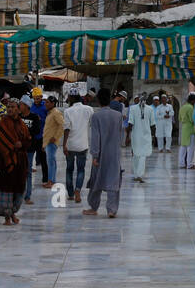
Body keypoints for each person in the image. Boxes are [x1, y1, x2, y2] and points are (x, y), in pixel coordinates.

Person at [84, 88, 125, 218]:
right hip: (114, 153)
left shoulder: (96, 116)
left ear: (98, 100)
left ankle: (93, 207)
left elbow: (95, 137)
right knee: (113, 180)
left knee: (96, 180)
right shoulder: (118, 116)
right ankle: (112, 210)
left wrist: (95, 155)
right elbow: (120, 134)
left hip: (101, 155)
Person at [0, 104, 29, 224]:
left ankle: (13, 213)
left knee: (18, 187)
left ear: (18, 109)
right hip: (5, 162)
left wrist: (21, 144)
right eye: (9, 107)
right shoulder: (1, 126)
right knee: (6, 188)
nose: (10, 109)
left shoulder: (22, 125)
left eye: (13, 107)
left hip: (21, 162)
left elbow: (28, 140)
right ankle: (7, 216)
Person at [63, 92, 92, 203]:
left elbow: (67, 128)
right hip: (82, 145)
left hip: (70, 145)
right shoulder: (89, 109)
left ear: (71, 98)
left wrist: (64, 144)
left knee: (69, 170)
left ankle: (70, 194)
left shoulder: (67, 111)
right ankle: (78, 190)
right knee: (81, 170)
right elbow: (91, 123)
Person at [42, 95, 65, 191]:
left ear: (52, 103)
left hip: (52, 142)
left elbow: (62, 125)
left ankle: (51, 181)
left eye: (47, 102)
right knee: (51, 162)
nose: (45, 104)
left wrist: (55, 137)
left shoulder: (56, 113)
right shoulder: (50, 113)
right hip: (48, 141)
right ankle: (51, 180)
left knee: (51, 162)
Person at [128, 94, 151, 183]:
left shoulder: (149, 109)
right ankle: (137, 175)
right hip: (136, 136)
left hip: (145, 137)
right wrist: (128, 136)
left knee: (142, 156)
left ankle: (139, 175)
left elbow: (152, 124)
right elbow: (130, 123)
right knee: (136, 156)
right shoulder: (133, 109)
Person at [29, 88, 49, 188]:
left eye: (38, 98)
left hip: (42, 137)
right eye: (35, 98)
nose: (36, 100)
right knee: (29, 158)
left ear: (41, 97)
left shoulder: (45, 107)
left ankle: (45, 180)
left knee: (43, 160)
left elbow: (49, 121)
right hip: (32, 137)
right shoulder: (31, 107)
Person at [179, 91, 195, 169]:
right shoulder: (190, 107)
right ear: (192, 100)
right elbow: (192, 119)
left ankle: (182, 164)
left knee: (183, 147)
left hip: (184, 128)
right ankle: (189, 164)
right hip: (190, 128)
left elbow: (179, 118)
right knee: (191, 147)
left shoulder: (182, 107)